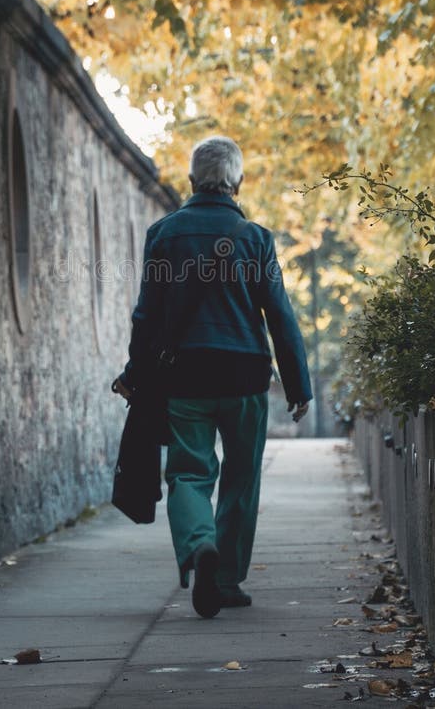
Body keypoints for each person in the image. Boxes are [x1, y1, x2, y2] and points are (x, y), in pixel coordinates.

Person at [113, 136, 312, 619]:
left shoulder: (164, 235)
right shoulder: (257, 240)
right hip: (245, 376)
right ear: (238, 184)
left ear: (190, 182)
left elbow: (147, 317)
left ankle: (201, 544)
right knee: (242, 479)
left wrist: (135, 374)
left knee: (187, 472)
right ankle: (225, 581)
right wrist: (298, 385)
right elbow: (280, 317)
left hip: (186, 377)